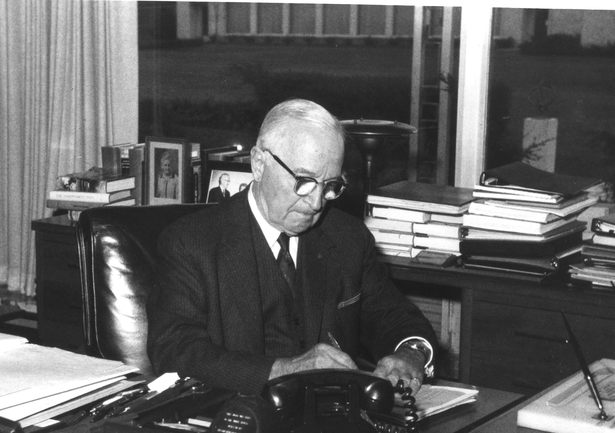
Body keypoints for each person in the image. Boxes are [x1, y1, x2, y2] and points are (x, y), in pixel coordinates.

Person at [147, 99, 437, 395]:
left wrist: (410, 354)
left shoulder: (348, 238)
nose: (316, 203)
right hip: (235, 420)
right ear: (259, 164)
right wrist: (285, 370)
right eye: (303, 181)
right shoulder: (191, 243)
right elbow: (174, 350)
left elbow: (395, 317)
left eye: (330, 185)